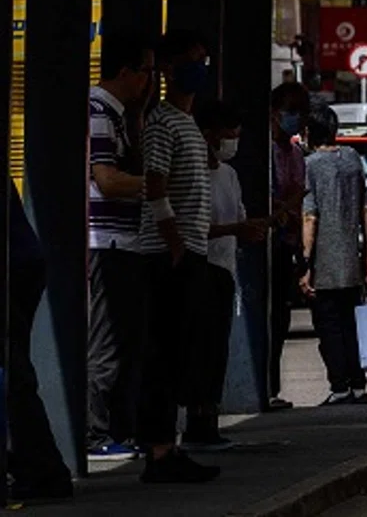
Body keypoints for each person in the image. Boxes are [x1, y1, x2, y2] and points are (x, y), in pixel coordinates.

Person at [136, 58, 218, 483]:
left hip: (190, 249)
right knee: (165, 352)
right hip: (170, 253)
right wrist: (173, 241)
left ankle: (170, 444)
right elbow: (154, 181)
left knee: (183, 351)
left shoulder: (188, 122)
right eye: (193, 61)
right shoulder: (162, 122)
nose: (200, 70)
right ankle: (159, 450)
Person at [86, 33, 154, 462]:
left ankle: (116, 429)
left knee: (126, 341)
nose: (151, 81)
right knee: (106, 343)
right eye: (147, 71)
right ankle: (94, 433)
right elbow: (107, 181)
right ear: (126, 72)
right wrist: (158, 188)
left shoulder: (120, 115)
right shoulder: (97, 113)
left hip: (123, 242)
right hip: (105, 241)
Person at [186, 101, 267, 451]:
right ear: (207, 135)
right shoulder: (191, 173)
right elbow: (194, 226)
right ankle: (194, 423)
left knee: (216, 350)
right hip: (197, 268)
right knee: (197, 351)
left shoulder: (229, 175)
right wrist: (237, 228)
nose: (234, 140)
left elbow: (239, 217)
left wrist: (251, 228)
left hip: (223, 269)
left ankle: (209, 420)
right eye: (228, 133)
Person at [302, 104, 367, 406]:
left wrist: (306, 264)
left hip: (325, 261)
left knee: (329, 326)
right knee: (351, 322)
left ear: (309, 132)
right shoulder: (353, 159)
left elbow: (310, 217)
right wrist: (366, 257)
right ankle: (358, 384)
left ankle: (340, 386)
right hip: (351, 258)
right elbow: (362, 211)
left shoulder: (312, 165)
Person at [9, 187, 73, 502]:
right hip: (22, 264)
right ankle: (35, 467)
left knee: (13, 377)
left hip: (14, 266)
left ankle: (42, 471)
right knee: (14, 372)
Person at [268, 81, 309, 410]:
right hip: (264, 242)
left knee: (280, 316)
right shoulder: (263, 149)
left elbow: (299, 193)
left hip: (286, 241)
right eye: (289, 112)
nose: (294, 119)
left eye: (300, 113)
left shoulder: (295, 152)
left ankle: (271, 386)